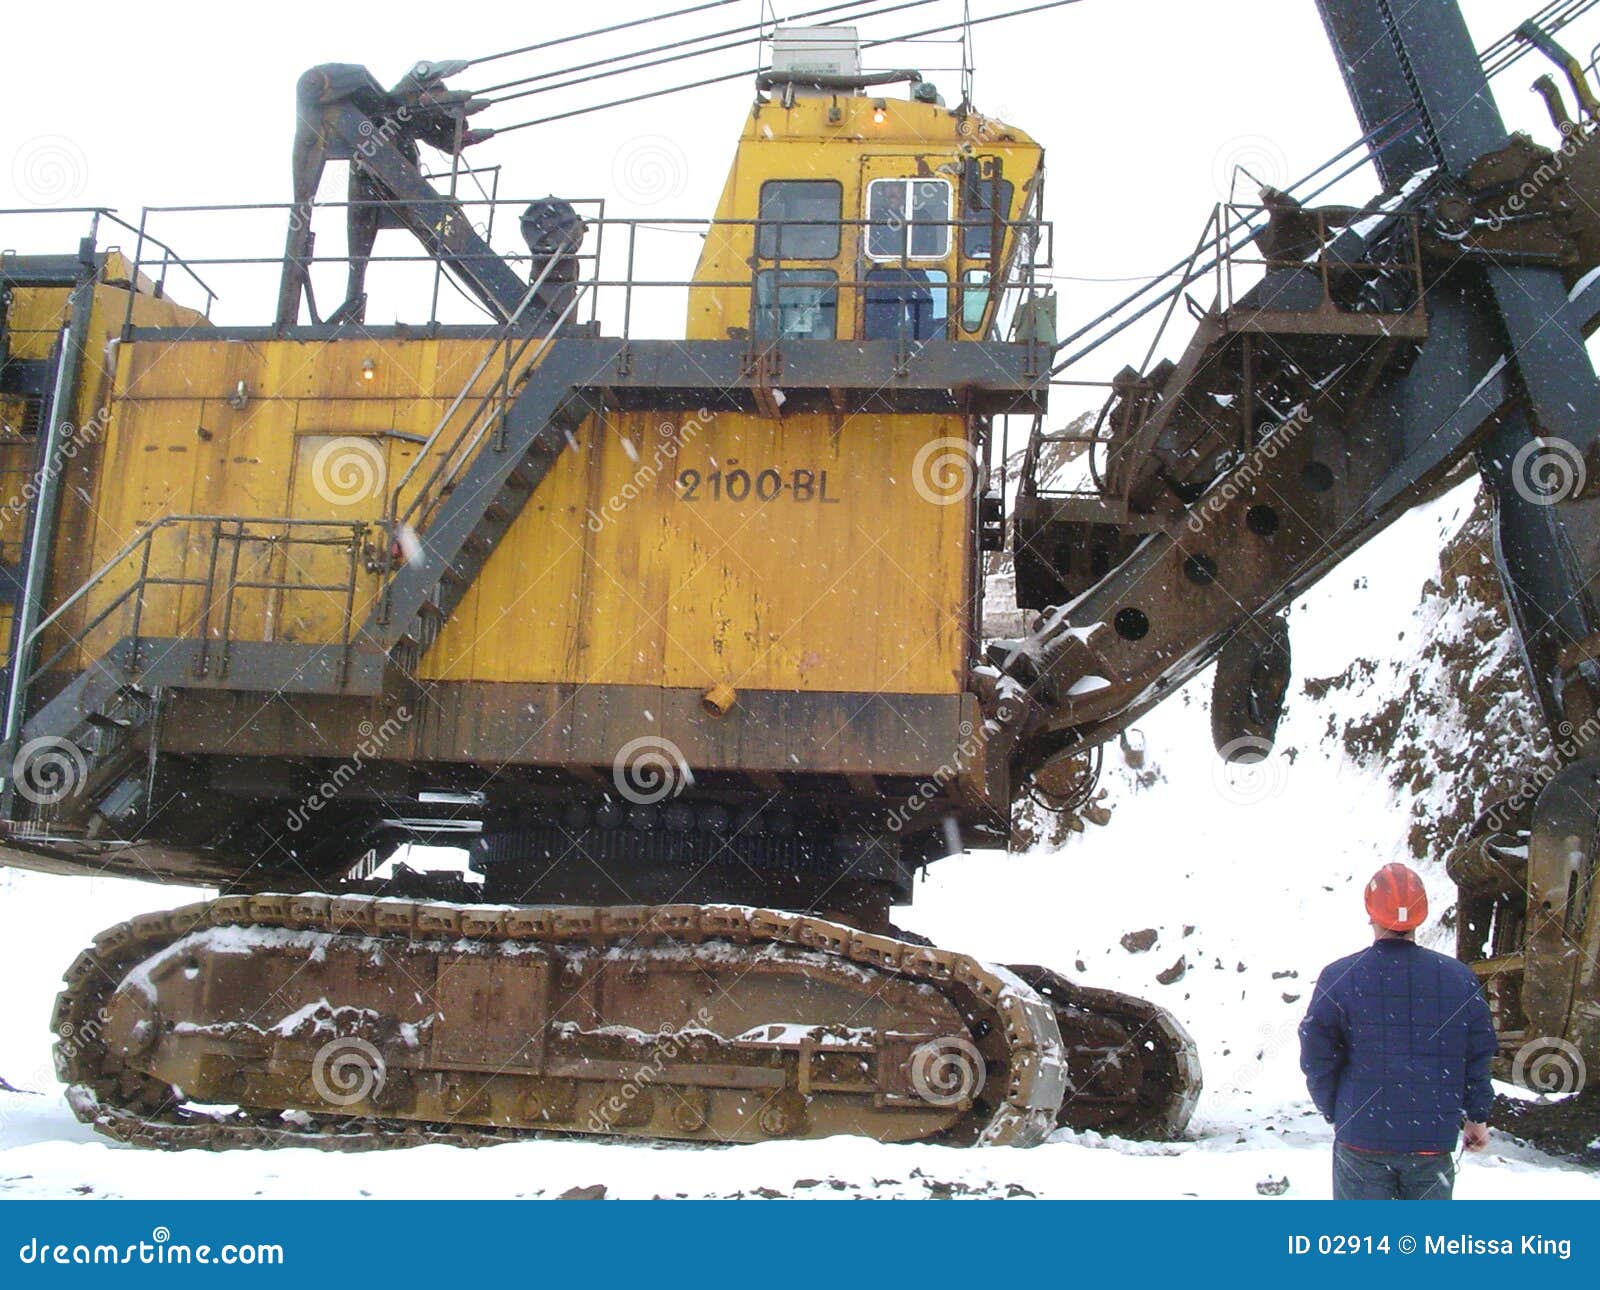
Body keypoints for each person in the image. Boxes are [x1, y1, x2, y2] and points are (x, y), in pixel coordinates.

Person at [1298, 862, 1497, 1199]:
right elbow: (1477, 1054)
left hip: (1361, 1137)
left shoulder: (1340, 976)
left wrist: (1335, 1109)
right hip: (1431, 1142)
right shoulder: (1458, 978)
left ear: (1370, 913)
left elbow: (1317, 1056)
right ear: (1421, 916)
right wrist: (1476, 1117)